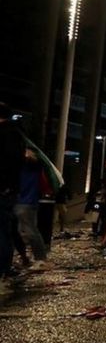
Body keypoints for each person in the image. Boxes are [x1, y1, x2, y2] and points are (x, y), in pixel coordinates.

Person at [1, 103, 26, 290]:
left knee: (3, 230)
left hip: (4, 190)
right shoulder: (14, 133)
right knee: (6, 230)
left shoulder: (8, 134)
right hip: (8, 189)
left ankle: (4, 267)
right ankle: (5, 267)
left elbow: (10, 162)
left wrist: (6, 186)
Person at [14, 149, 51, 269]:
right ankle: (30, 258)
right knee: (22, 231)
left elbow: (39, 161)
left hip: (26, 201)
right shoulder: (28, 167)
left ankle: (40, 259)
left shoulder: (32, 166)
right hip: (23, 201)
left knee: (30, 232)